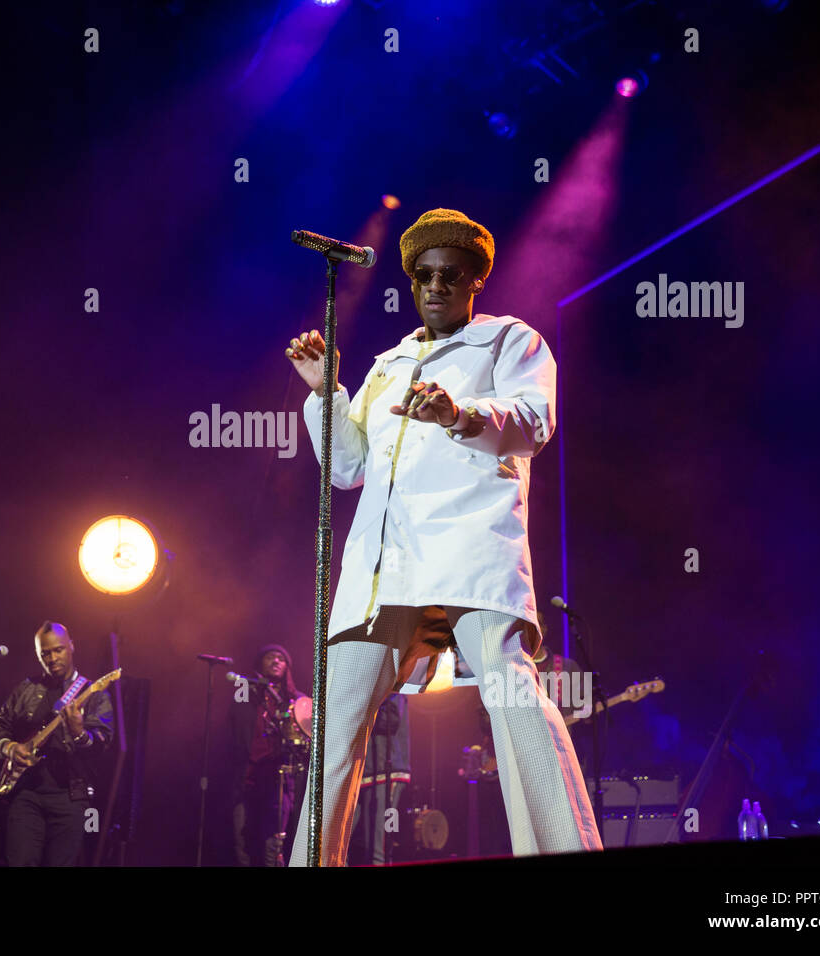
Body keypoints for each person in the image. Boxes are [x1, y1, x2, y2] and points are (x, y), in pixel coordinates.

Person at [284, 208, 602, 866]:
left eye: (448, 274)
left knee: (515, 700)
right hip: (386, 567)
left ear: (474, 279)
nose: (434, 286)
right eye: (421, 276)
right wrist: (326, 394)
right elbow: (347, 468)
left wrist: (459, 412)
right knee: (335, 730)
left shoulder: (511, 342)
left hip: (470, 552)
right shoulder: (389, 363)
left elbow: (533, 421)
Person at [0, 620, 113, 866]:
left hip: (71, 798)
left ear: (72, 647)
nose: (52, 657)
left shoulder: (94, 693)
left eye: (58, 650)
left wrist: (79, 734)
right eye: (44, 653)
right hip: (25, 795)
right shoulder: (26, 689)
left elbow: (103, 745)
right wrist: (10, 748)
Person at [228, 644, 308, 866]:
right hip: (247, 776)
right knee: (240, 837)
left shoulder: (297, 702)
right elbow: (235, 719)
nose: (276, 661)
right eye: (270, 657)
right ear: (259, 663)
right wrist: (253, 689)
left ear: (288, 667)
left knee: (273, 840)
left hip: (279, 780)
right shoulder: (246, 691)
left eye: (281, 658)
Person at [348, 693, 409, 866]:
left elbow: (389, 720)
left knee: (378, 849)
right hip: (361, 772)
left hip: (385, 773)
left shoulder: (393, 687)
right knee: (338, 843)